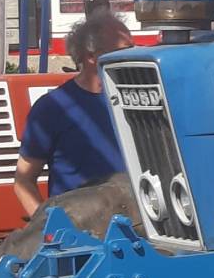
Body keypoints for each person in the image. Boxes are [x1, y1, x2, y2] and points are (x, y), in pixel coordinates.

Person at [12, 15, 133, 215]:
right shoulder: (52, 109)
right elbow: (23, 181)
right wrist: (48, 228)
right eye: (125, 50)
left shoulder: (144, 101)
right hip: (80, 229)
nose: (134, 56)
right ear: (93, 57)